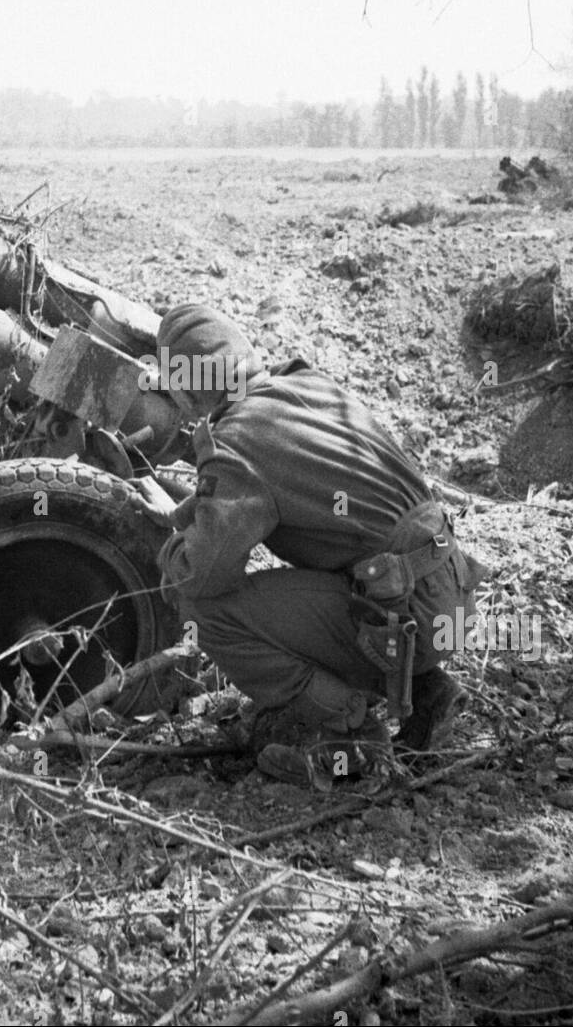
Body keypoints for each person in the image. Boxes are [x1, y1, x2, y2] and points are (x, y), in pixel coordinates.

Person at [135, 303, 480, 788]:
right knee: (343, 564)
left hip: (407, 613)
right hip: (449, 592)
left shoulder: (234, 441)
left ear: (188, 388)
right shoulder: (306, 384)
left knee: (203, 610)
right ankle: (426, 692)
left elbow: (205, 573)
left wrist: (172, 547)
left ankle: (352, 737)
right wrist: (193, 510)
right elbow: (306, 488)